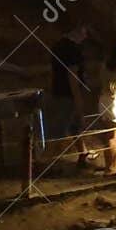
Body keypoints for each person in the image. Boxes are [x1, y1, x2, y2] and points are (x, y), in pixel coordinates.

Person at [48, 24, 92, 168]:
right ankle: (50, 163)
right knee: (61, 128)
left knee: (74, 126)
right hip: (68, 94)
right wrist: (78, 98)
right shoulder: (73, 50)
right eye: (85, 32)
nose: (86, 36)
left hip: (58, 90)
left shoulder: (57, 45)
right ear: (78, 30)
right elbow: (72, 75)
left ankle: (83, 153)